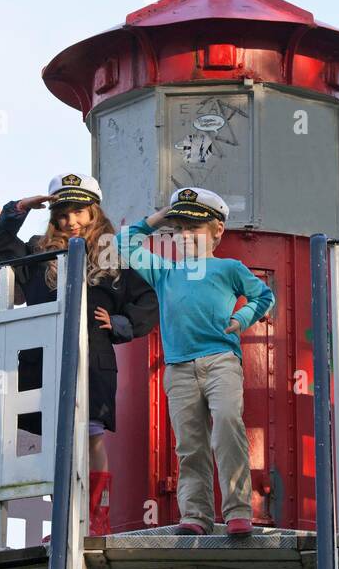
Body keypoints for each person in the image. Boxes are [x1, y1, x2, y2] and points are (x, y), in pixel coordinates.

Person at [0, 173, 158, 535]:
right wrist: (20, 209)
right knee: (53, 442)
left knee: (91, 437)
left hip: (92, 363)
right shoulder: (36, 250)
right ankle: (64, 518)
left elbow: (147, 300)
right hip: (42, 362)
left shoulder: (113, 258)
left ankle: (97, 518)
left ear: (94, 211)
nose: (70, 221)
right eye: (62, 213)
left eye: (78, 211)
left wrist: (120, 323)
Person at [115, 187, 274, 536]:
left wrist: (243, 318)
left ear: (217, 230)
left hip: (220, 361)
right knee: (189, 445)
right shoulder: (164, 271)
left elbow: (264, 295)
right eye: (181, 228)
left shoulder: (229, 268)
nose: (186, 235)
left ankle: (237, 511)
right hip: (179, 367)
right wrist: (160, 217)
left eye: (195, 228)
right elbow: (122, 245)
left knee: (228, 426)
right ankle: (196, 515)